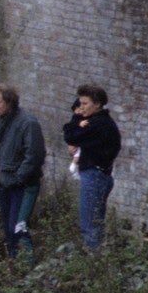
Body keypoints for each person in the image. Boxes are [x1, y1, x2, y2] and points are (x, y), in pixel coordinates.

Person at [0, 85, 45, 260]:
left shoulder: (27, 123)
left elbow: (35, 155)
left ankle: (28, 269)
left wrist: (20, 177)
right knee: (8, 228)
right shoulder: (3, 122)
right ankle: (14, 264)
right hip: (6, 184)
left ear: (9, 102)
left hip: (23, 186)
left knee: (18, 227)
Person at [62, 85, 121, 250]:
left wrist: (75, 118)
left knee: (90, 226)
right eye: (80, 104)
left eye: (85, 104)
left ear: (98, 104)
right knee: (93, 223)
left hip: (95, 176)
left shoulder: (98, 124)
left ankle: (94, 260)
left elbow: (70, 135)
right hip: (97, 175)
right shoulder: (98, 121)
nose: (81, 108)